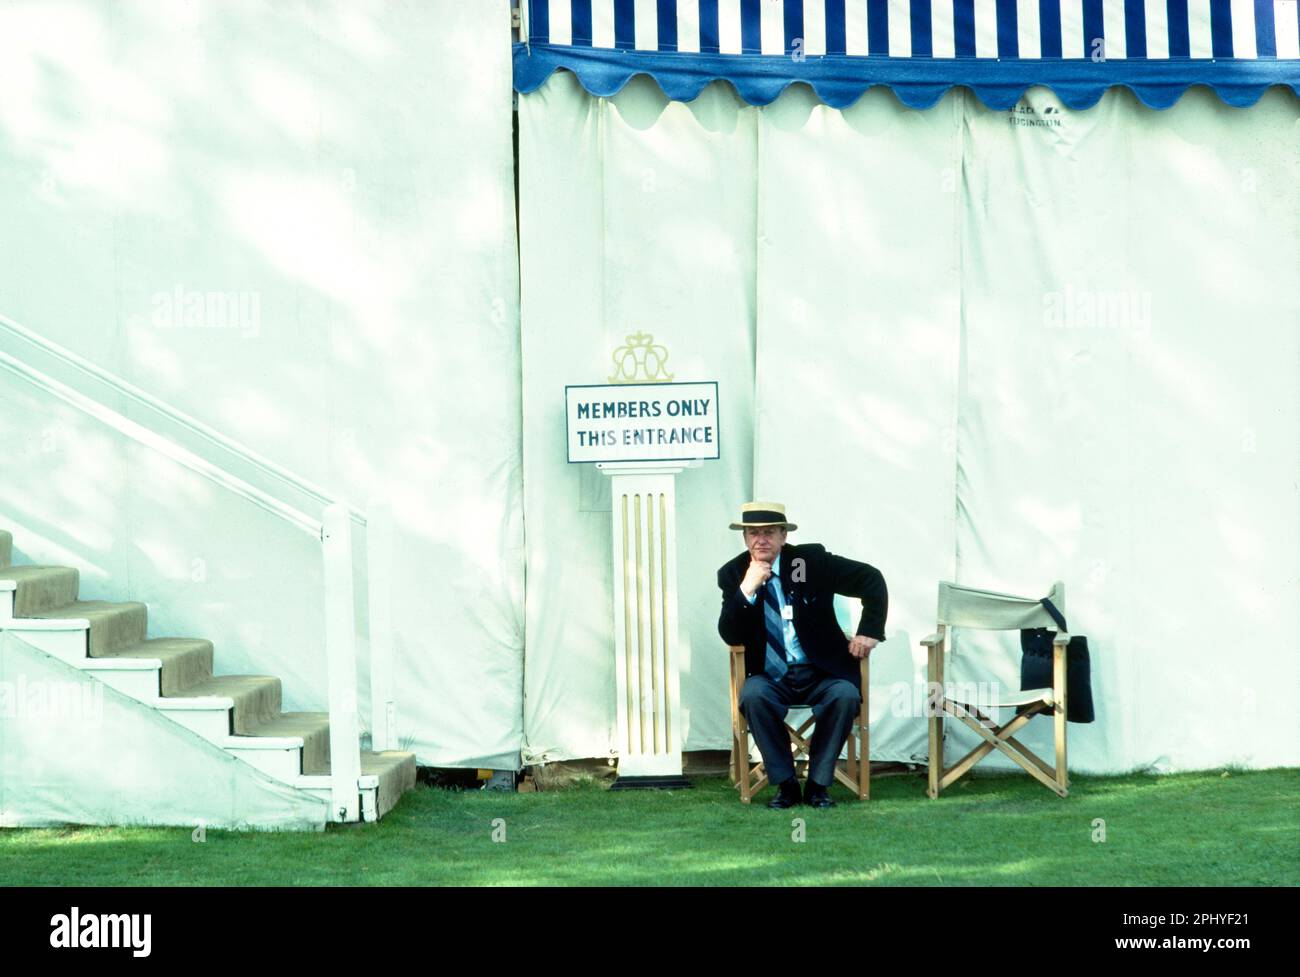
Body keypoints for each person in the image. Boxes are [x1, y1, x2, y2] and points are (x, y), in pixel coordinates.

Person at [717, 501, 887, 809]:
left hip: (820, 671)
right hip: (769, 675)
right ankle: (786, 785)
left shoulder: (807, 562)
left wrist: (868, 631)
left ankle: (819, 785)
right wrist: (747, 589)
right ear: (745, 539)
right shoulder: (734, 573)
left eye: (769, 532)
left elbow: (871, 579)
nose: (761, 540)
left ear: (783, 536)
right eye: (753, 533)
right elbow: (730, 634)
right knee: (754, 696)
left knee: (845, 695)